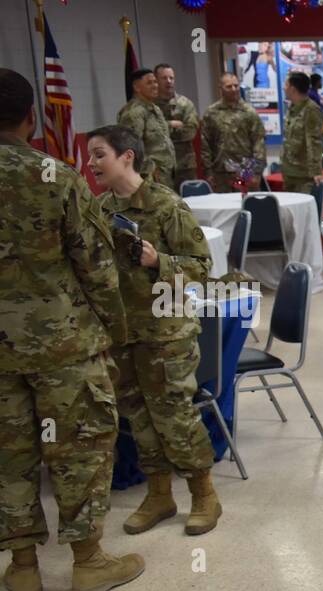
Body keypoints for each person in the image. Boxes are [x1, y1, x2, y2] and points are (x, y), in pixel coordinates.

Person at [0, 70, 143, 591]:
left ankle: (22, 567)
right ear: (32, 118)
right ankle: (87, 563)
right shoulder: (54, 176)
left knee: (8, 456)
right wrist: (115, 332)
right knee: (78, 448)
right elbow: (98, 267)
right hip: (62, 343)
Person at [88, 125, 221, 537]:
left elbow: (201, 269)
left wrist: (157, 261)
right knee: (138, 418)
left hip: (167, 331)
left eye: (99, 155)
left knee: (174, 416)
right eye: (90, 157)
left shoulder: (167, 205)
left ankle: (204, 495)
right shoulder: (99, 209)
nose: (91, 164)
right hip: (122, 332)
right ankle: (159, 494)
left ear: (127, 156)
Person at [202, 72, 267, 193]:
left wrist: (256, 173)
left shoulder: (249, 112)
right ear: (220, 88)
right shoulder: (211, 113)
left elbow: (259, 143)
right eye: (229, 86)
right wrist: (208, 172)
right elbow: (205, 144)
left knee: (246, 206)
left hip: (245, 172)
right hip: (220, 174)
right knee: (224, 209)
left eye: (236, 86)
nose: (233, 89)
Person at [117, 68, 175, 187]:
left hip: (165, 176)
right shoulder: (133, 113)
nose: (155, 86)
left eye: (155, 82)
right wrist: (150, 171)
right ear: (137, 87)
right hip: (149, 179)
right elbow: (130, 149)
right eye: (149, 83)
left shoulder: (155, 108)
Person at [154, 63, 199, 192]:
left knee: (190, 203)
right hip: (160, 166)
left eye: (171, 78)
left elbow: (190, 132)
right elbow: (149, 134)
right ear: (156, 80)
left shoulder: (185, 104)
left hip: (185, 165)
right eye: (164, 78)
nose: (169, 81)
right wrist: (171, 125)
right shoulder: (151, 106)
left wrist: (162, 130)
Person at [280, 72, 323, 193]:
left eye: (286, 85)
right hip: (290, 172)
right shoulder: (292, 108)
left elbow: (314, 142)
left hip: (304, 176)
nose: (284, 88)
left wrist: (316, 172)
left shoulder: (311, 110)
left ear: (293, 89)